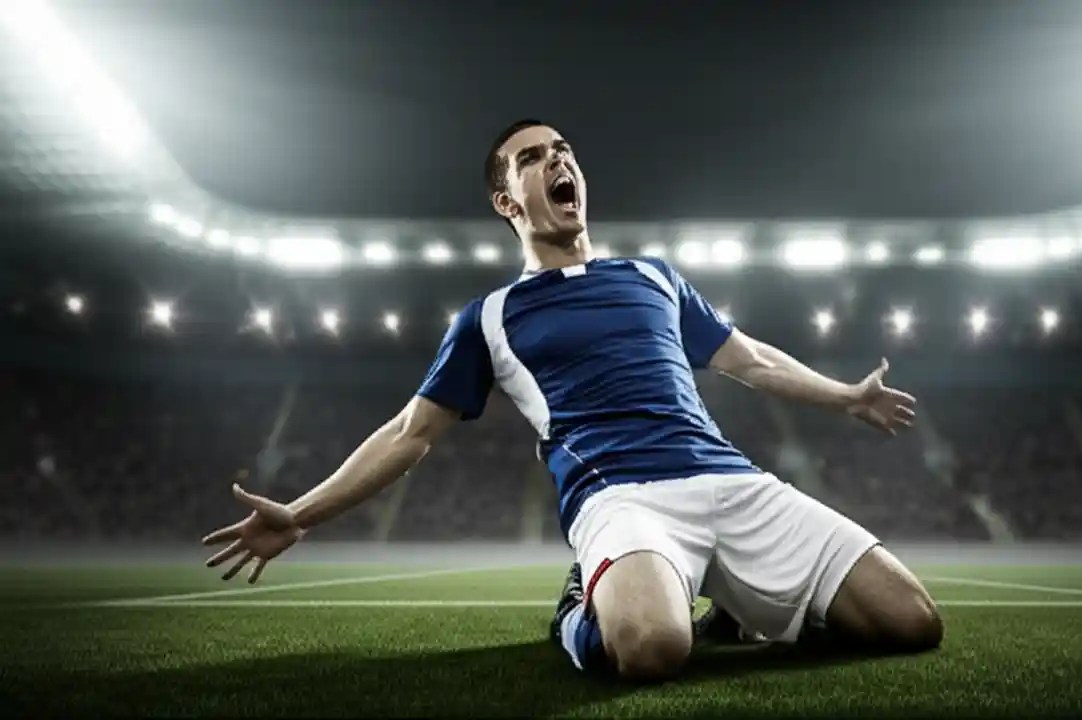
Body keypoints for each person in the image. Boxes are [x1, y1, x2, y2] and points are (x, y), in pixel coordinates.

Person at [201, 119, 943, 682]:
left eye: (564, 151)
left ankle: (739, 612)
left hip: (731, 479)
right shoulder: (490, 317)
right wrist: (299, 513)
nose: (558, 160)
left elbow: (748, 359)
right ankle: (578, 609)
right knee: (652, 648)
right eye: (532, 158)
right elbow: (409, 433)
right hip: (620, 498)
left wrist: (845, 396)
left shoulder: (654, 277)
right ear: (507, 201)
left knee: (913, 621)